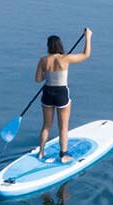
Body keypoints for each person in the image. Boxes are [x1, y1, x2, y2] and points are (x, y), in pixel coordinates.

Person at [34, 28, 92, 163]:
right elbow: (85, 55)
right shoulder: (66, 59)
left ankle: (41, 152)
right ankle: (64, 155)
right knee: (63, 127)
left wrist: (48, 75)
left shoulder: (43, 60)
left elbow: (38, 79)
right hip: (61, 93)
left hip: (47, 93)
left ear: (48, 46)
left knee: (46, 125)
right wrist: (88, 37)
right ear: (60, 45)